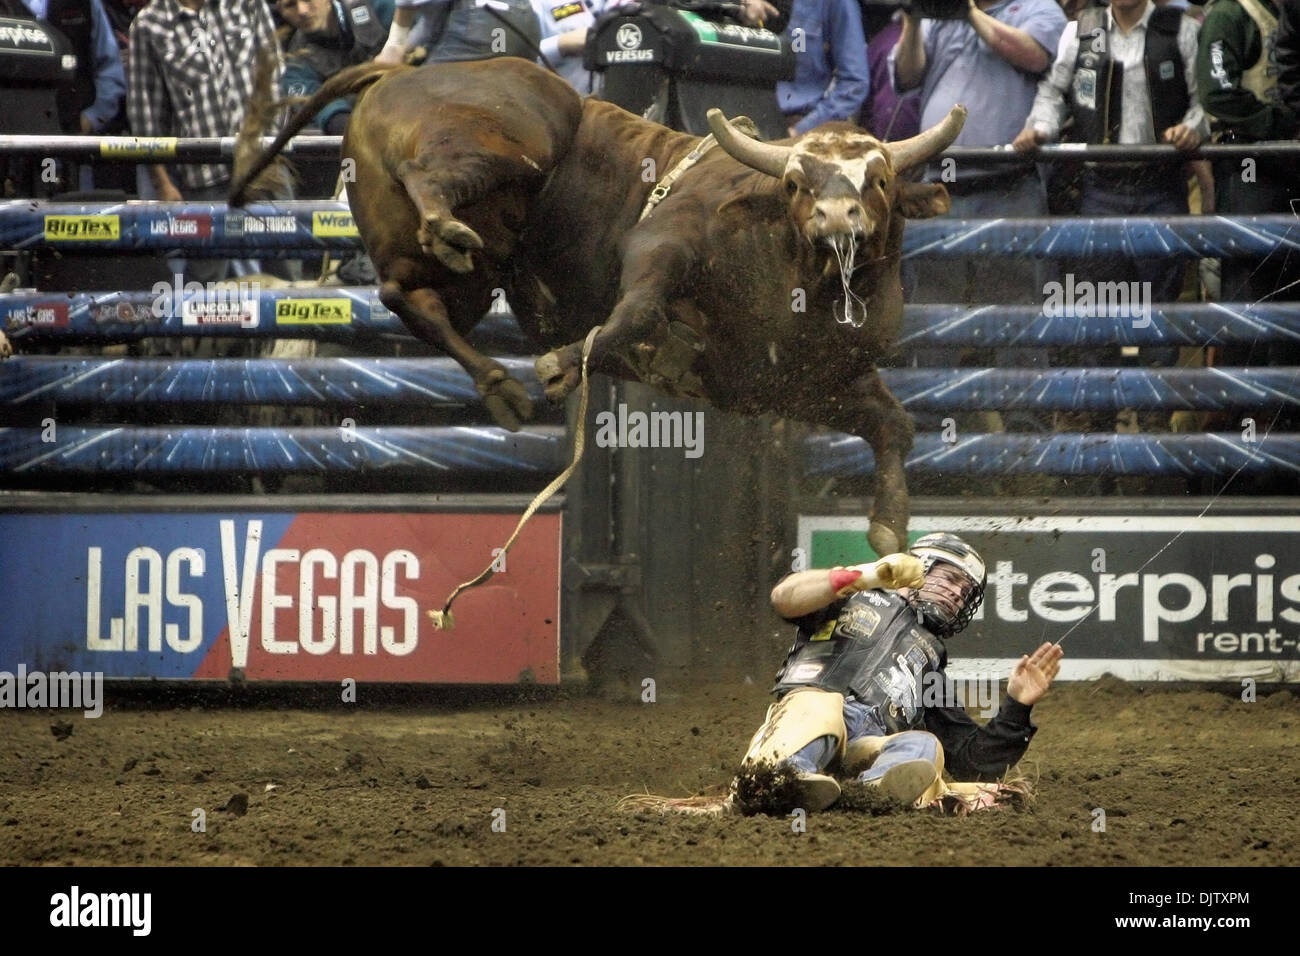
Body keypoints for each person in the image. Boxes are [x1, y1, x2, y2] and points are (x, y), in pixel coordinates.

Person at [737, 533, 1063, 813]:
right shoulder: (853, 598)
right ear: (919, 568)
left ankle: (872, 795)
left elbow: (971, 761)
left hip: (861, 750)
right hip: (802, 722)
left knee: (924, 744)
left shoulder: (931, 661)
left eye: (965, 593)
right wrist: (865, 576)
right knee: (821, 706)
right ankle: (784, 777)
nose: (956, 596)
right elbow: (784, 598)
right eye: (951, 580)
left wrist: (1017, 706)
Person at [891, 0, 1067, 436]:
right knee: (933, 306)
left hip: (1008, 183)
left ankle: (1027, 433)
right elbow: (906, 75)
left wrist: (966, 11)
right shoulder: (936, 19)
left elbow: (1035, 54)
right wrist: (914, 18)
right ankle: (928, 424)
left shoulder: (1039, 8)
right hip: (941, 186)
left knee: (1018, 307)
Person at [1013, 0, 1207, 373]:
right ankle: (1098, 418)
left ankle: (1155, 417)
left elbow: (1201, 105)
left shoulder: (1179, 30)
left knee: (1160, 309)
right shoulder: (1083, 30)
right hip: (1100, 186)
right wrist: (1040, 127)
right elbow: (1053, 92)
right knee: (1098, 305)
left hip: (1160, 184)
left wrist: (1191, 129)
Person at [128, 0, 299, 281]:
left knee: (286, 263)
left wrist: (269, 146)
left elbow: (273, 74)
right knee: (207, 282)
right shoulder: (150, 24)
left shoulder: (247, 4)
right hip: (203, 173)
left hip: (263, 160)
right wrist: (162, 183)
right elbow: (145, 112)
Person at [278, 0, 396, 133]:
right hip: (360, 127)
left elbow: (421, 38)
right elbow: (321, 108)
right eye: (290, 5)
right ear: (281, 11)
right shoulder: (296, 64)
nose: (302, 11)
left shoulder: (378, 7)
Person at [777, 0, 871, 135]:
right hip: (744, 117)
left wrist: (802, 130)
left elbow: (854, 82)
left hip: (799, 126)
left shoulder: (838, 3)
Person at [373, 0, 541, 66]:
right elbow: (431, 23)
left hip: (485, 26)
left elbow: (407, 4)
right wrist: (405, 47)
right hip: (526, 22)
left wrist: (393, 47)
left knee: (416, 91)